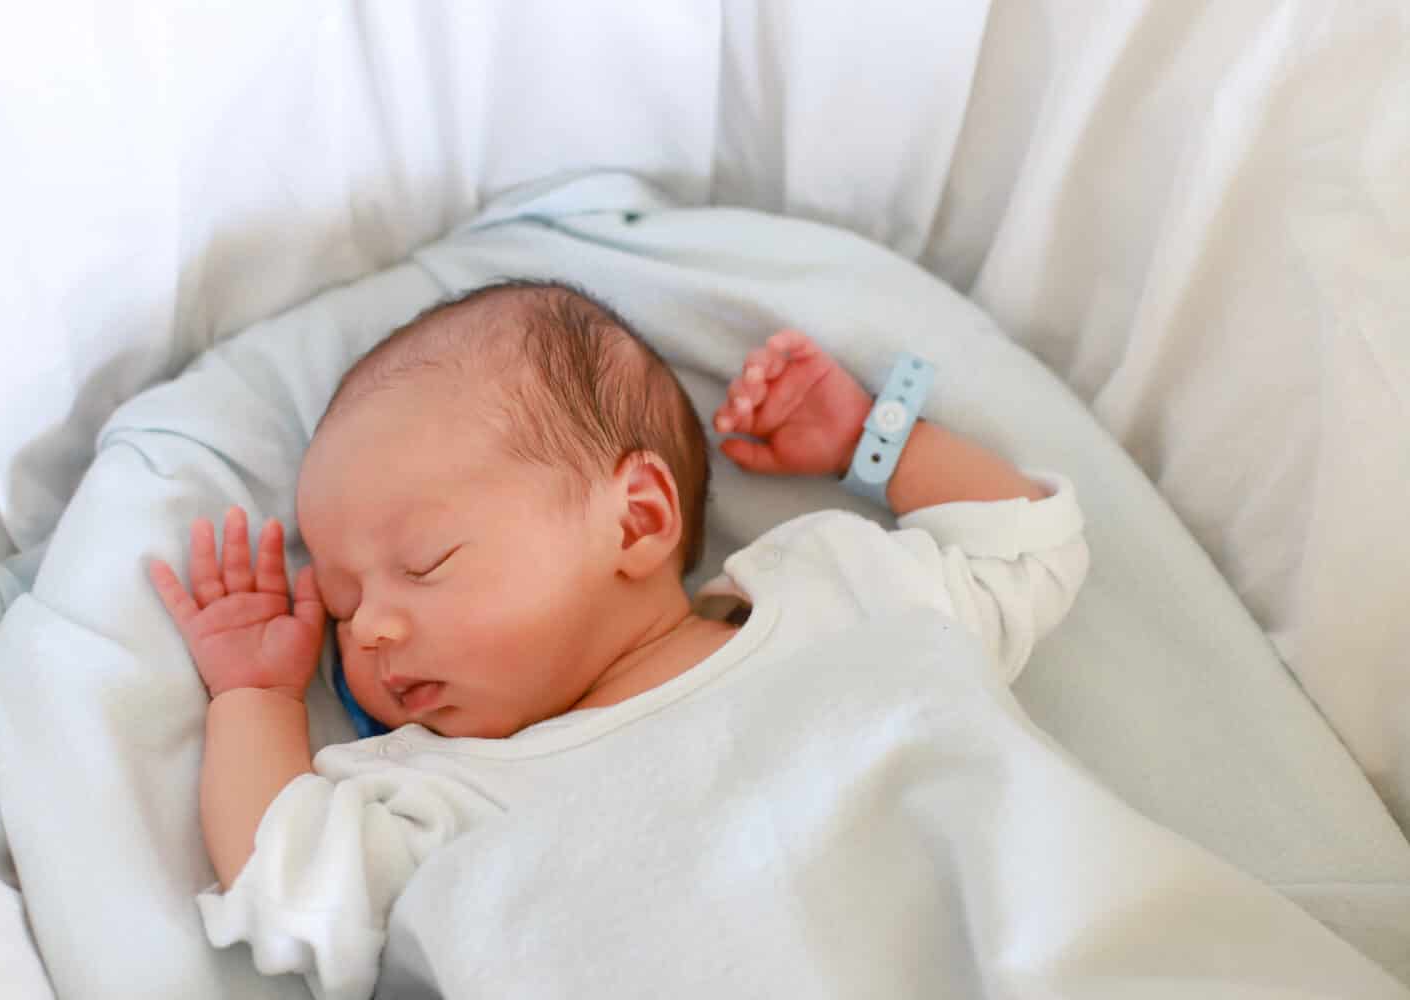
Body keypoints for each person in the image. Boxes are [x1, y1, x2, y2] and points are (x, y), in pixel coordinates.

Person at [148, 279, 1088, 999]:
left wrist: (874, 443)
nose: (373, 628)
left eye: (426, 562)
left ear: (636, 521)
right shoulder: (446, 792)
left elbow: (1025, 549)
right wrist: (259, 697)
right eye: (344, 610)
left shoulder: (836, 593)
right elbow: (289, 879)